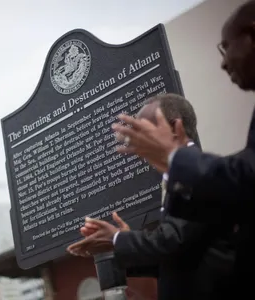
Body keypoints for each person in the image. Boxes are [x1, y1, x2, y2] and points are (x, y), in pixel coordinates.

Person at [109, 0, 255, 287]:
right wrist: (125, 241)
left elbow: (246, 177)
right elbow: (186, 254)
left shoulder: (196, 177)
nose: (223, 62)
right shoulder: (184, 178)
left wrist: (174, 158)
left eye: (226, 47)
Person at [68, 94, 236, 300]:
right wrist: (123, 241)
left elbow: (176, 241)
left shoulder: (200, 174)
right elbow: (177, 258)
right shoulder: (176, 177)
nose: (135, 141)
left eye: (145, 130)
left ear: (175, 128)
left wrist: (117, 239)